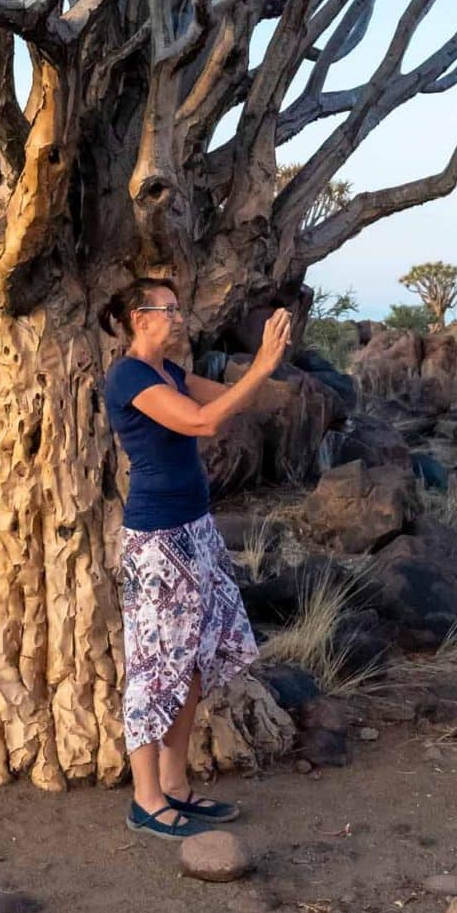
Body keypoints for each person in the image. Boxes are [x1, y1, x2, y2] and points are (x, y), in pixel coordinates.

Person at [100, 280, 293, 841]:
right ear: (140, 317)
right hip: (157, 539)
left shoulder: (171, 374)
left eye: (180, 307)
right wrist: (258, 367)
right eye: (168, 309)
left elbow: (227, 403)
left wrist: (267, 366)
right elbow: (199, 422)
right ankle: (145, 799)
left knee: (192, 659)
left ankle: (175, 785)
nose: (179, 317)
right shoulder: (129, 376)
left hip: (195, 529)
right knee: (153, 667)